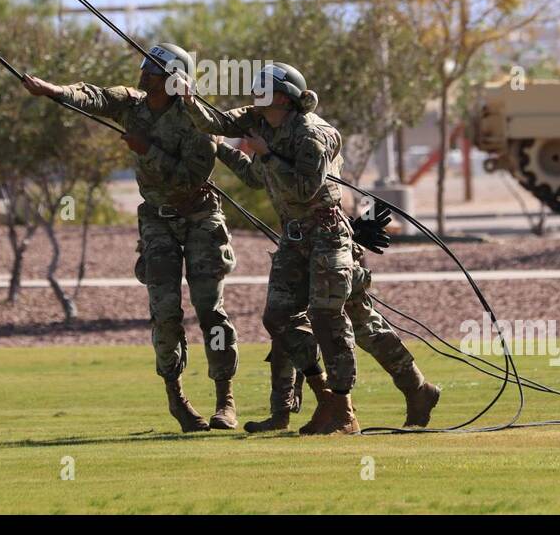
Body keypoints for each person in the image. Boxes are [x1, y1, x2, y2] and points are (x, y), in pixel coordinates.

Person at [22, 43, 239, 432]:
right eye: (144, 66)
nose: (143, 73)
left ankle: (225, 400)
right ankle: (178, 399)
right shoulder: (131, 104)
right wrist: (52, 91)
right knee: (165, 313)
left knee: (211, 312)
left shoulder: (197, 121)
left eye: (153, 69)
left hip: (200, 218)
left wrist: (148, 150)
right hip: (157, 222)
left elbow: (192, 176)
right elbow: (93, 96)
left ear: (174, 80)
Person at [182, 62, 361, 435]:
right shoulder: (256, 120)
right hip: (294, 237)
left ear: (283, 96)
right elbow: (213, 122)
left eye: (262, 87)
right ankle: (324, 395)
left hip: (326, 235)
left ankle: (343, 411)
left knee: (328, 318)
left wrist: (265, 155)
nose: (254, 91)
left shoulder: (311, 135)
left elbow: (302, 190)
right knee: (278, 317)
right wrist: (187, 96)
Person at [215, 138, 441, 431]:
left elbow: (321, 193)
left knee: (360, 325)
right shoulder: (273, 143)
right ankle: (298, 408)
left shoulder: (304, 139)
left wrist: (352, 230)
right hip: (305, 246)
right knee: (286, 318)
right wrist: (220, 146)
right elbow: (254, 176)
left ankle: (408, 391)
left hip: (332, 248)